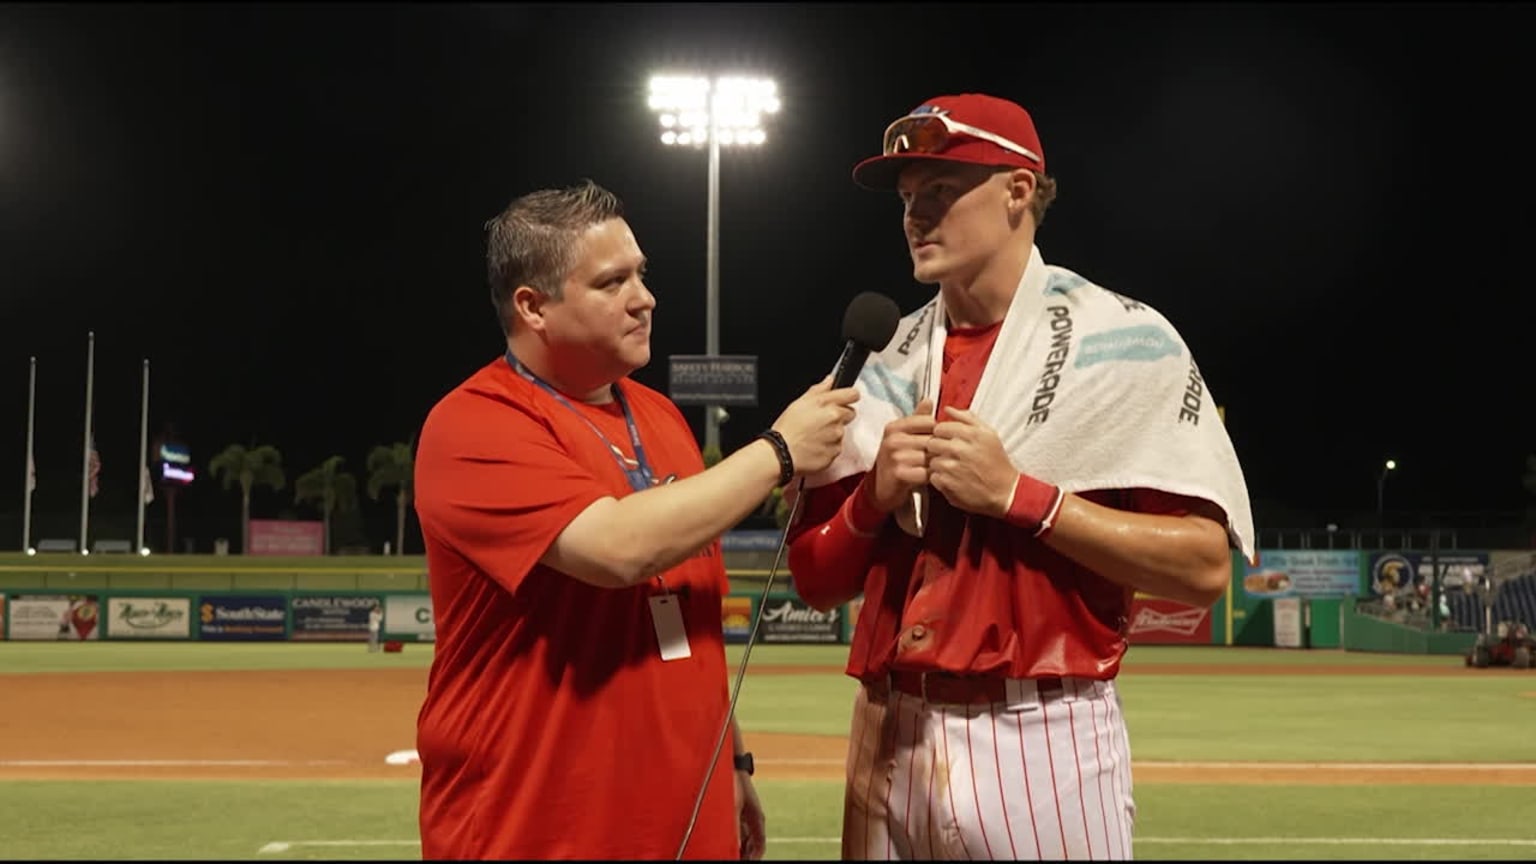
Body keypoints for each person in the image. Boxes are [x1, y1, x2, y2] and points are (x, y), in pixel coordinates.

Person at [786, 93, 1257, 861]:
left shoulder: (1123, 341)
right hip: (887, 726)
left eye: (940, 191)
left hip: (1041, 729)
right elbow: (814, 581)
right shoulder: (885, 361)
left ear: (1017, 191)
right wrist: (871, 501)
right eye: (907, 198)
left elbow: (1201, 567)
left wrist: (1021, 498)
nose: (915, 215)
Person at [411, 179, 860, 860]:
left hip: (686, 818)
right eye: (612, 281)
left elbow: (693, 616)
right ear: (533, 306)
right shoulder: (474, 422)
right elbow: (616, 549)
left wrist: (733, 765)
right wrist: (777, 451)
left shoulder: (659, 417)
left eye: (642, 274)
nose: (644, 297)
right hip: (538, 828)